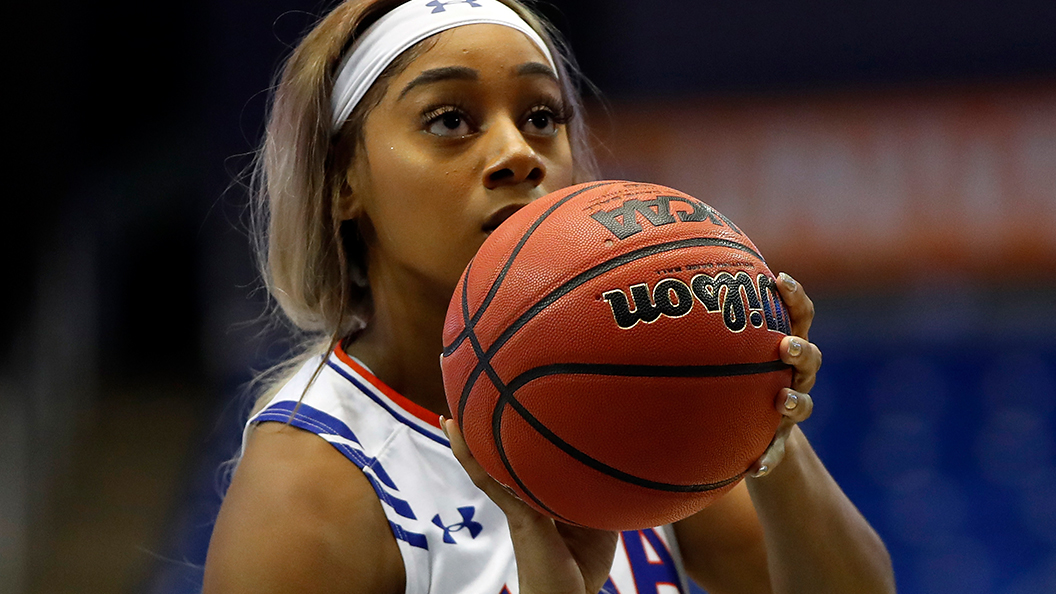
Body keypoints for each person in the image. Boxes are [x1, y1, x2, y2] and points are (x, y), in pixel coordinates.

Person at [203, 1, 896, 593]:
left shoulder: (633, 388)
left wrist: (764, 426)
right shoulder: (306, 486)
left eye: (541, 116)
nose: (518, 153)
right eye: (449, 120)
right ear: (343, 180)